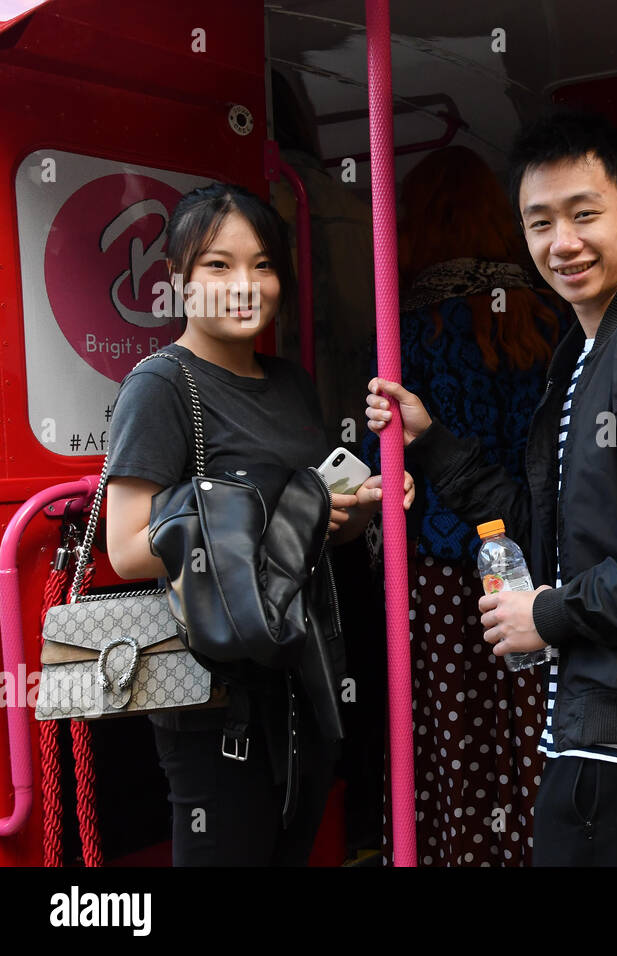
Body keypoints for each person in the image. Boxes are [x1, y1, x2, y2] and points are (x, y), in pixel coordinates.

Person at [365, 111, 617, 866]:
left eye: (585, 214)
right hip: (612, 708)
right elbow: (543, 526)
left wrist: (549, 613)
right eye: (539, 221)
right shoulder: (584, 351)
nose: (562, 242)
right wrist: (434, 442)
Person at [103, 183, 413, 866]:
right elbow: (126, 548)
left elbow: (311, 542)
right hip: (217, 695)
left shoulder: (289, 382)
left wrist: (357, 507)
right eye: (218, 265)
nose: (245, 285)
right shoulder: (162, 384)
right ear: (179, 280)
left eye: (264, 264)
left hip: (302, 677)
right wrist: (281, 512)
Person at [359, 145, 566, 866]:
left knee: (454, 742)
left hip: (441, 571)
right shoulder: (548, 318)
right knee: (530, 729)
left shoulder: (404, 332)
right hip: (533, 561)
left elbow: (380, 453)